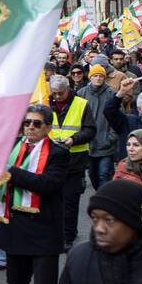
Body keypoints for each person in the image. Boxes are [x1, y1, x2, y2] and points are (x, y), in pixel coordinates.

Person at [0, 104, 66, 284]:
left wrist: (10, 172)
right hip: (16, 231)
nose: (30, 127)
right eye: (27, 122)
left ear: (48, 127)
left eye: (36, 123)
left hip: (43, 233)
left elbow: (48, 185)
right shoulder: (12, 148)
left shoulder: (58, 153)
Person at [47, 73, 96, 251]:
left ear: (68, 89)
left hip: (75, 161)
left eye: (60, 93)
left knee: (70, 201)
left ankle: (67, 236)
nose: (57, 96)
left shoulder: (81, 104)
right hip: (51, 162)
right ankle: (57, 232)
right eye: (54, 93)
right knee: (54, 201)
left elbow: (90, 130)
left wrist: (73, 140)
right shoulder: (45, 103)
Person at [77, 64, 118, 190]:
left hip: (106, 143)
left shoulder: (112, 94)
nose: (98, 78)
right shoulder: (81, 93)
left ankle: (103, 203)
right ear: (90, 77)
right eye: (95, 76)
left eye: (101, 76)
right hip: (88, 144)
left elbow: (117, 118)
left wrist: (110, 138)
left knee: (104, 175)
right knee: (92, 174)